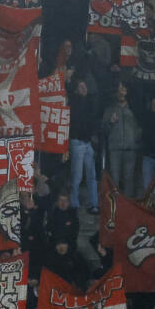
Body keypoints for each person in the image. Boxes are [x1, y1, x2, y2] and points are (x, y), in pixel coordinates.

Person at [102, 82, 141, 197]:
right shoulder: (109, 110)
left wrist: (135, 140)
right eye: (119, 90)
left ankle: (128, 208)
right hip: (115, 150)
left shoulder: (134, 109)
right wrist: (110, 122)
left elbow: (140, 128)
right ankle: (116, 207)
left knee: (129, 180)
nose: (121, 93)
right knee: (115, 180)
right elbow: (104, 130)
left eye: (123, 90)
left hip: (130, 150)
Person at [68, 79, 100, 213]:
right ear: (76, 90)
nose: (84, 88)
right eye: (81, 86)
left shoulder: (90, 103)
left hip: (88, 143)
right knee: (77, 175)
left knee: (91, 175)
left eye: (85, 86)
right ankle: (74, 203)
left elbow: (92, 121)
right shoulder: (73, 103)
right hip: (78, 142)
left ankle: (93, 203)